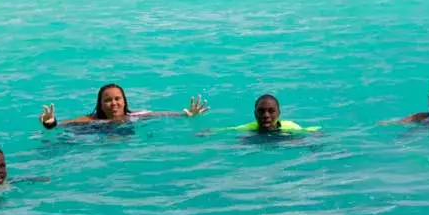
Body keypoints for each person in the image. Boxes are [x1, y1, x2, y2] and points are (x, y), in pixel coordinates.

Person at [40, 83, 208, 129]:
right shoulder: (92, 121)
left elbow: (159, 114)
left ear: (124, 101)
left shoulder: (134, 116)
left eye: (117, 99)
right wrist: (50, 123)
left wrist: (185, 114)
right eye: (107, 100)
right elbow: (63, 125)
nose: (113, 103)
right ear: (100, 104)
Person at [214, 93, 319, 137]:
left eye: (271, 111)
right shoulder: (249, 128)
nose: (266, 115)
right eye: (261, 111)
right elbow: (219, 131)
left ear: (279, 113)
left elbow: (312, 132)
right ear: (255, 114)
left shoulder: (289, 127)